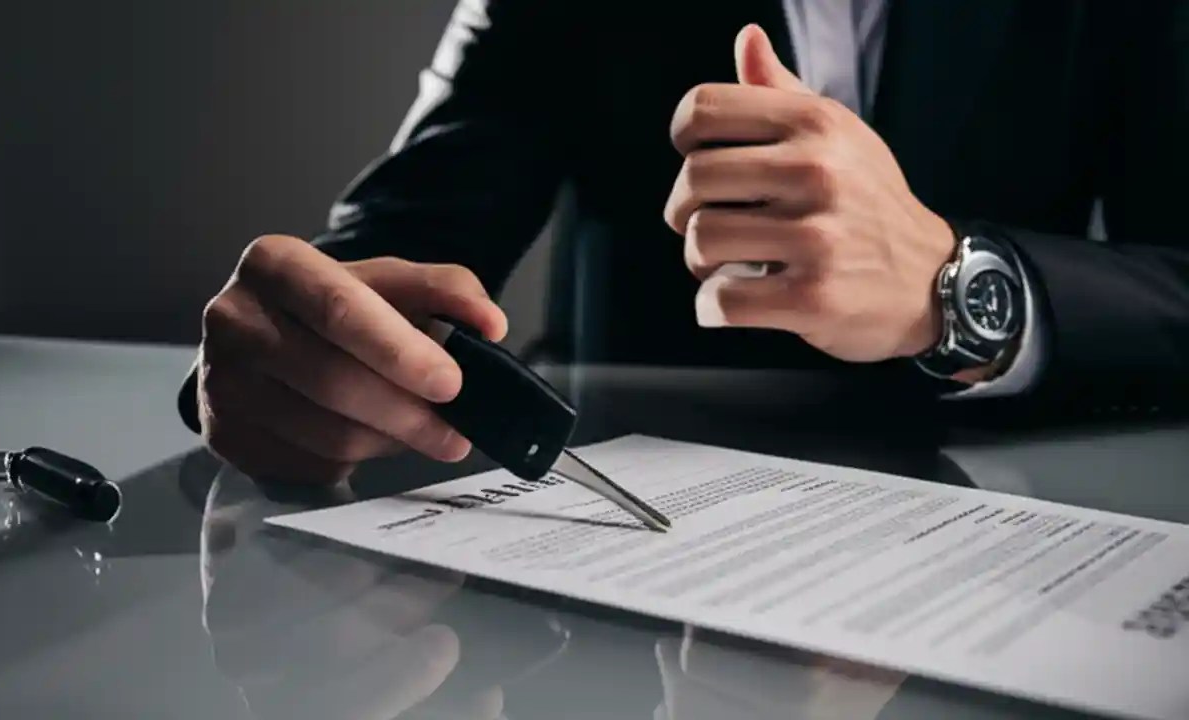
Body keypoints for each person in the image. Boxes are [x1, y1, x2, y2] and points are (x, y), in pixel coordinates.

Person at [179, 1, 1189, 484]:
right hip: (613, 537)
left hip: (1008, 502)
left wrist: (957, 286)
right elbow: (382, 258)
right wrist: (288, 344)